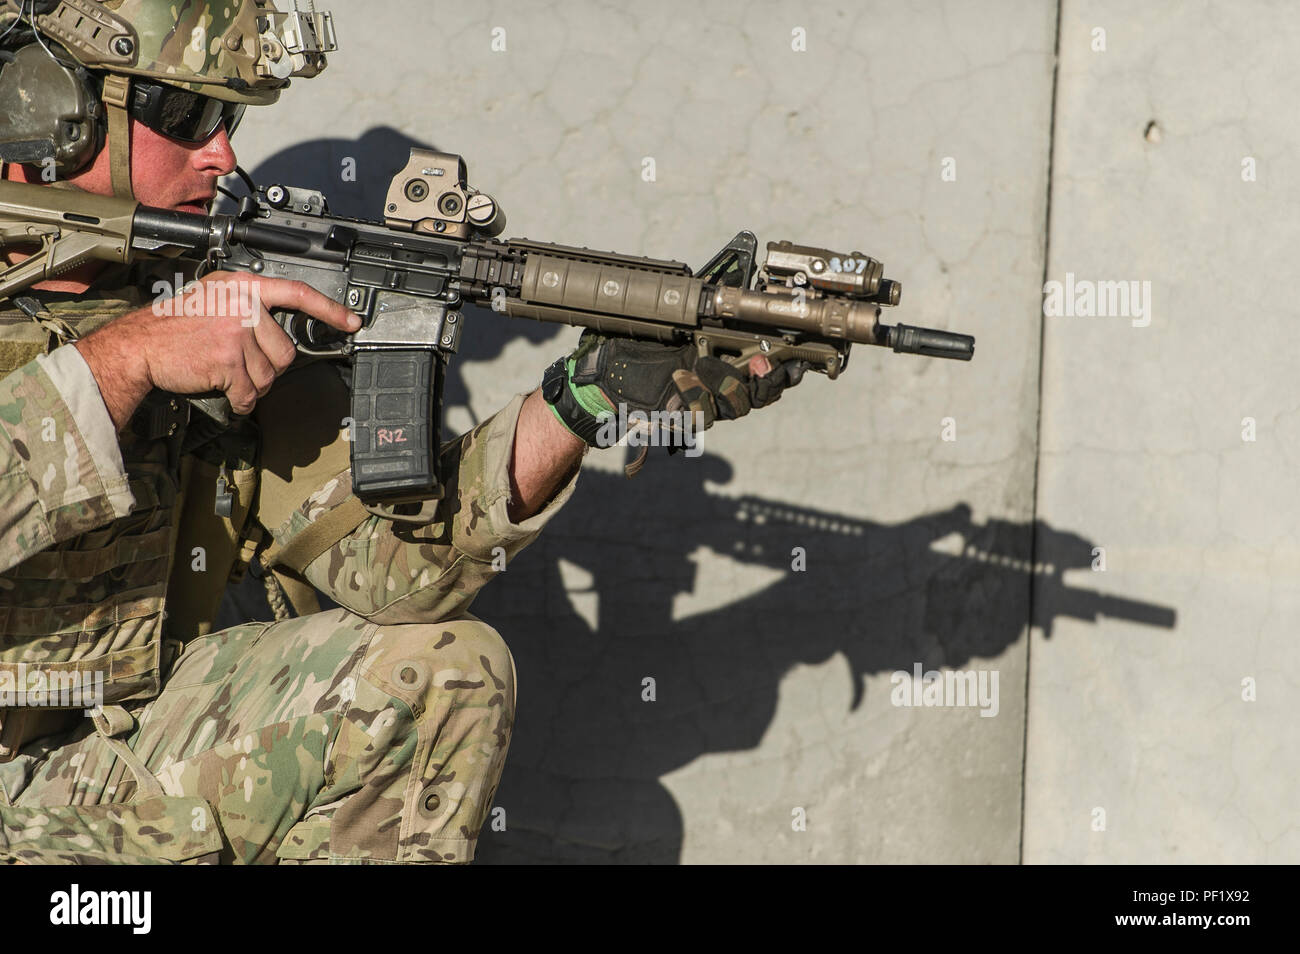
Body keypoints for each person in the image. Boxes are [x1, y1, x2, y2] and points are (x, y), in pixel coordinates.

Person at [0, 0, 802, 864]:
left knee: (441, 673)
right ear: (50, 102)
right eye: (185, 113)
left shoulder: (207, 289)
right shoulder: (172, 322)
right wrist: (128, 362)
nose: (221, 152)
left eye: (226, 117)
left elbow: (395, 574)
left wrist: (584, 401)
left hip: (107, 763)